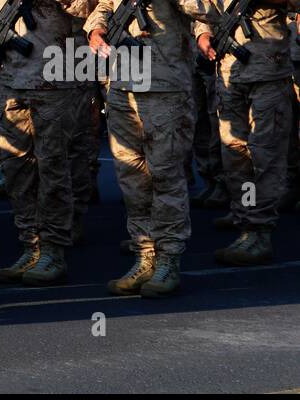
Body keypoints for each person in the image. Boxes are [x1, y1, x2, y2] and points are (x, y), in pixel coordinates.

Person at [85, 0, 216, 297]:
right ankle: (145, 256)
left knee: (165, 176)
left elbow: (211, 11)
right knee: (132, 179)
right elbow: (105, 4)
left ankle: (169, 259)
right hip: (122, 86)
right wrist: (96, 28)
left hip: (165, 88)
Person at [0, 0, 96, 287]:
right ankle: (31, 245)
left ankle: (53, 249)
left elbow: (87, 10)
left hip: (55, 79)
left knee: (51, 167)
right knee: (16, 170)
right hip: (14, 80)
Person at [195, 0, 296, 266]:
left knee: (265, 154)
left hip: (268, 73)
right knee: (236, 153)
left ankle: (259, 231)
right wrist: (203, 35)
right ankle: (245, 216)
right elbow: (205, 10)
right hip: (229, 72)